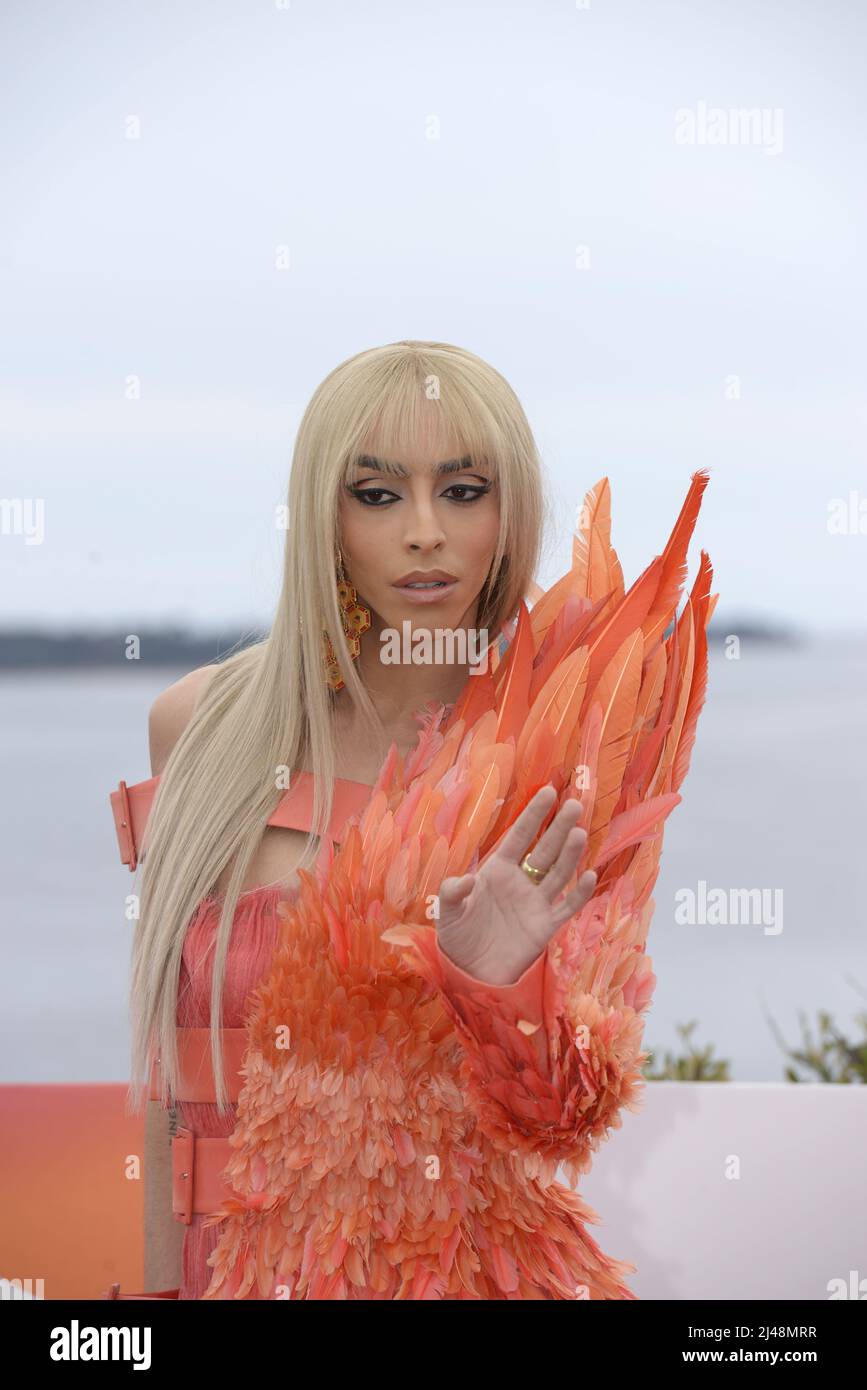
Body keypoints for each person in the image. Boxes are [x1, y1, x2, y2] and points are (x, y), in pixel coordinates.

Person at [110, 339, 714, 1299]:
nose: (425, 532)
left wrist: (495, 985)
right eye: (380, 494)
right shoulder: (202, 726)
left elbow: (570, 1110)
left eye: (465, 490)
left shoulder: (569, 749)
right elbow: (171, 1075)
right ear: (324, 515)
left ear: (509, 510)